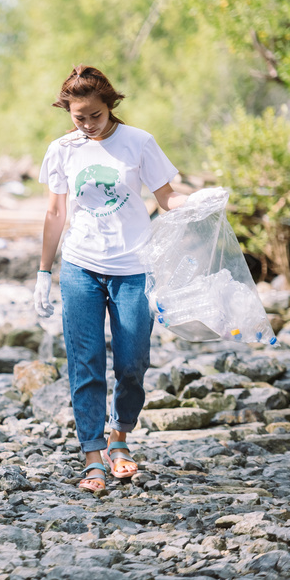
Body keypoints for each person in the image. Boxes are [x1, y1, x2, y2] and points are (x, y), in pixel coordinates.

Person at [35, 65, 189, 492]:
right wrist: (44, 272)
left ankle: (119, 435)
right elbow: (55, 212)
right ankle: (93, 455)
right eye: (78, 117)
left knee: (132, 362)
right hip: (80, 267)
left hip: (134, 268)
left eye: (95, 116)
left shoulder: (138, 142)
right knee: (85, 364)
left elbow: (166, 197)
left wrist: (200, 203)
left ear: (110, 106)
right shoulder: (62, 149)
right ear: (68, 111)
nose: (87, 125)